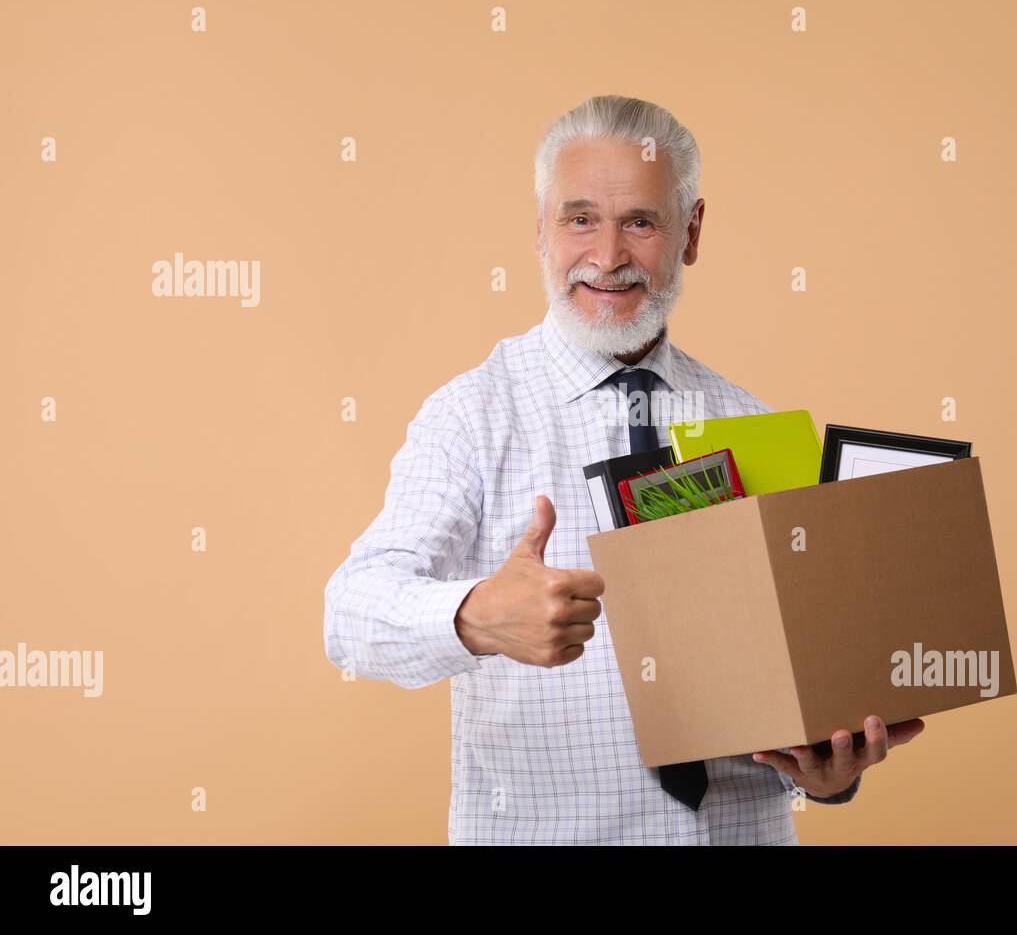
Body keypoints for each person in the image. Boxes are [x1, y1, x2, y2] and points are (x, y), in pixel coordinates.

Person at [324, 94, 924, 844]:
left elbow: (799, 684)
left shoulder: (752, 421)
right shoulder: (471, 415)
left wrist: (828, 773)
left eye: (639, 221)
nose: (607, 257)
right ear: (540, 231)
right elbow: (349, 613)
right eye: (580, 218)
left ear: (691, 232)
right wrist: (474, 615)